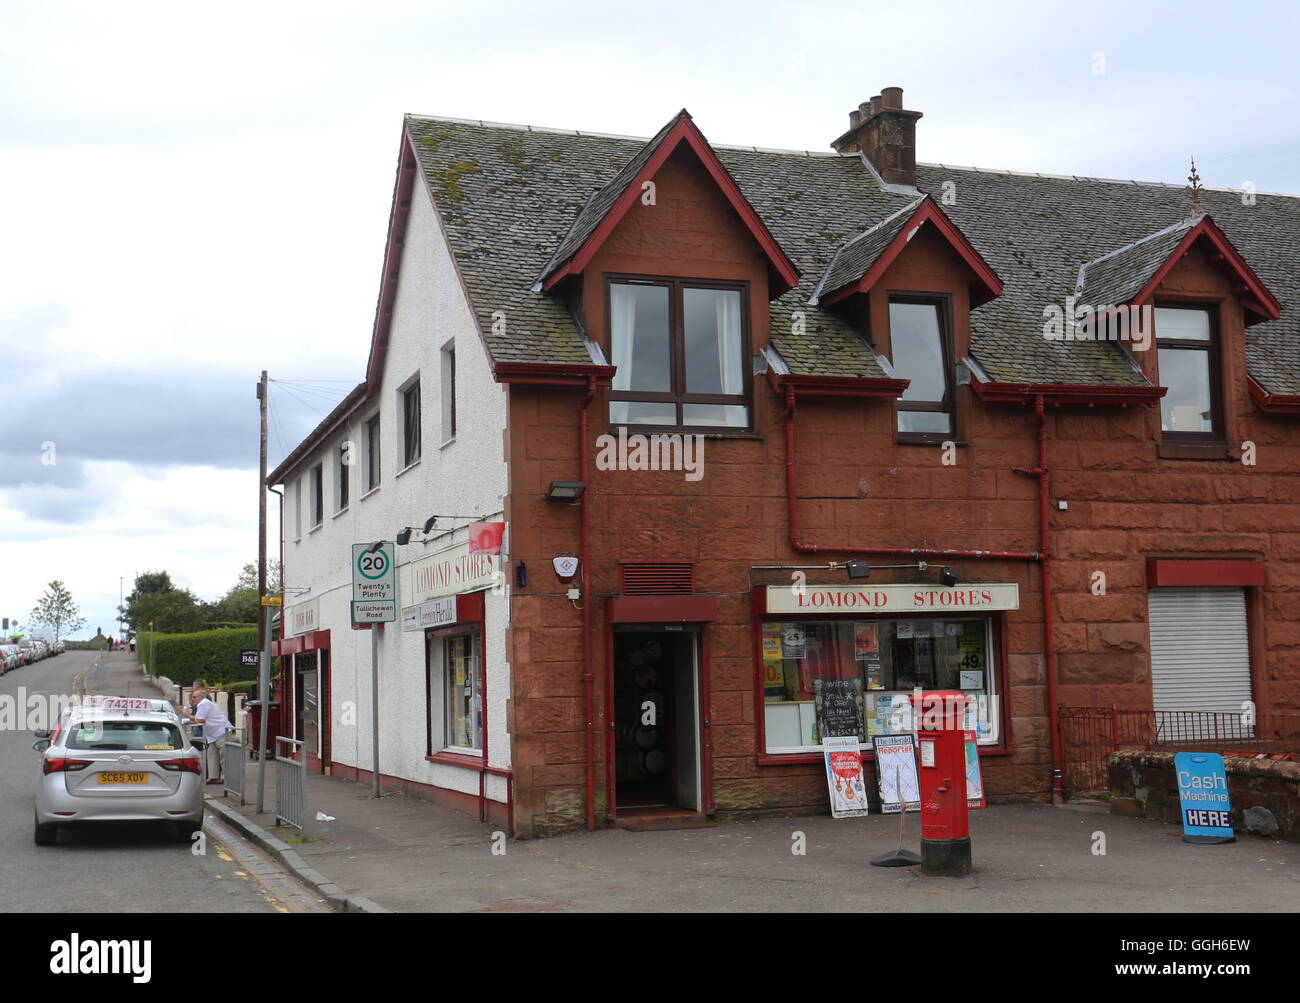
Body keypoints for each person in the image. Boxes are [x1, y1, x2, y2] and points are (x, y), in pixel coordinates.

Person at [183, 681, 233, 784]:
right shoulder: (202, 704)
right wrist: (190, 719)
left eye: (194, 697)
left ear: (201, 697)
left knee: (224, 756)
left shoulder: (203, 703)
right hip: (213, 734)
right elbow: (201, 719)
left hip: (221, 731)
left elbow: (200, 720)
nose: (192, 699)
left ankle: (225, 778)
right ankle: (213, 777)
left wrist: (187, 715)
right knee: (212, 755)